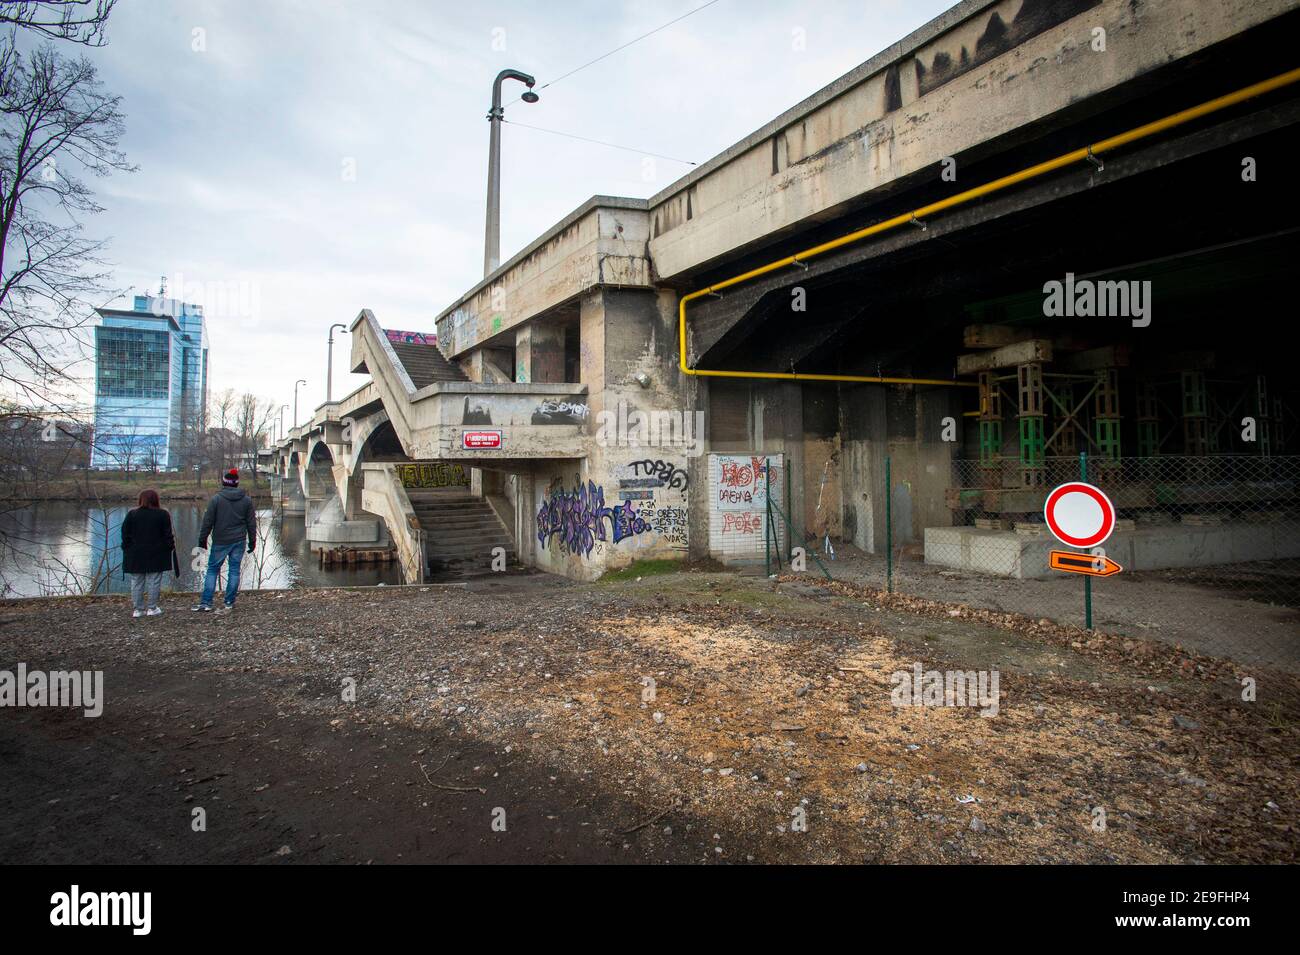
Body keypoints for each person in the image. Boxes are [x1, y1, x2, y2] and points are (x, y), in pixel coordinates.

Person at [192, 468, 257, 614]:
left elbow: (207, 521)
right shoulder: (246, 500)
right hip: (239, 540)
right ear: (237, 483)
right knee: (234, 570)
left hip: (221, 540)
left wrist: (202, 539)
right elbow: (251, 523)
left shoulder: (216, 499)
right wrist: (253, 541)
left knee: (213, 570)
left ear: (224, 482)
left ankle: (206, 602)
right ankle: (229, 602)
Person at [121, 488, 176, 619]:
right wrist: (170, 547)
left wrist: (127, 547)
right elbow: (167, 535)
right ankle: (152, 607)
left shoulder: (132, 514)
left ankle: (138, 609)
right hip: (157, 552)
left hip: (135, 553)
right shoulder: (163, 514)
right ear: (156, 500)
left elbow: (124, 534)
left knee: (136, 581)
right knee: (154, 580)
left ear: (141, 500)